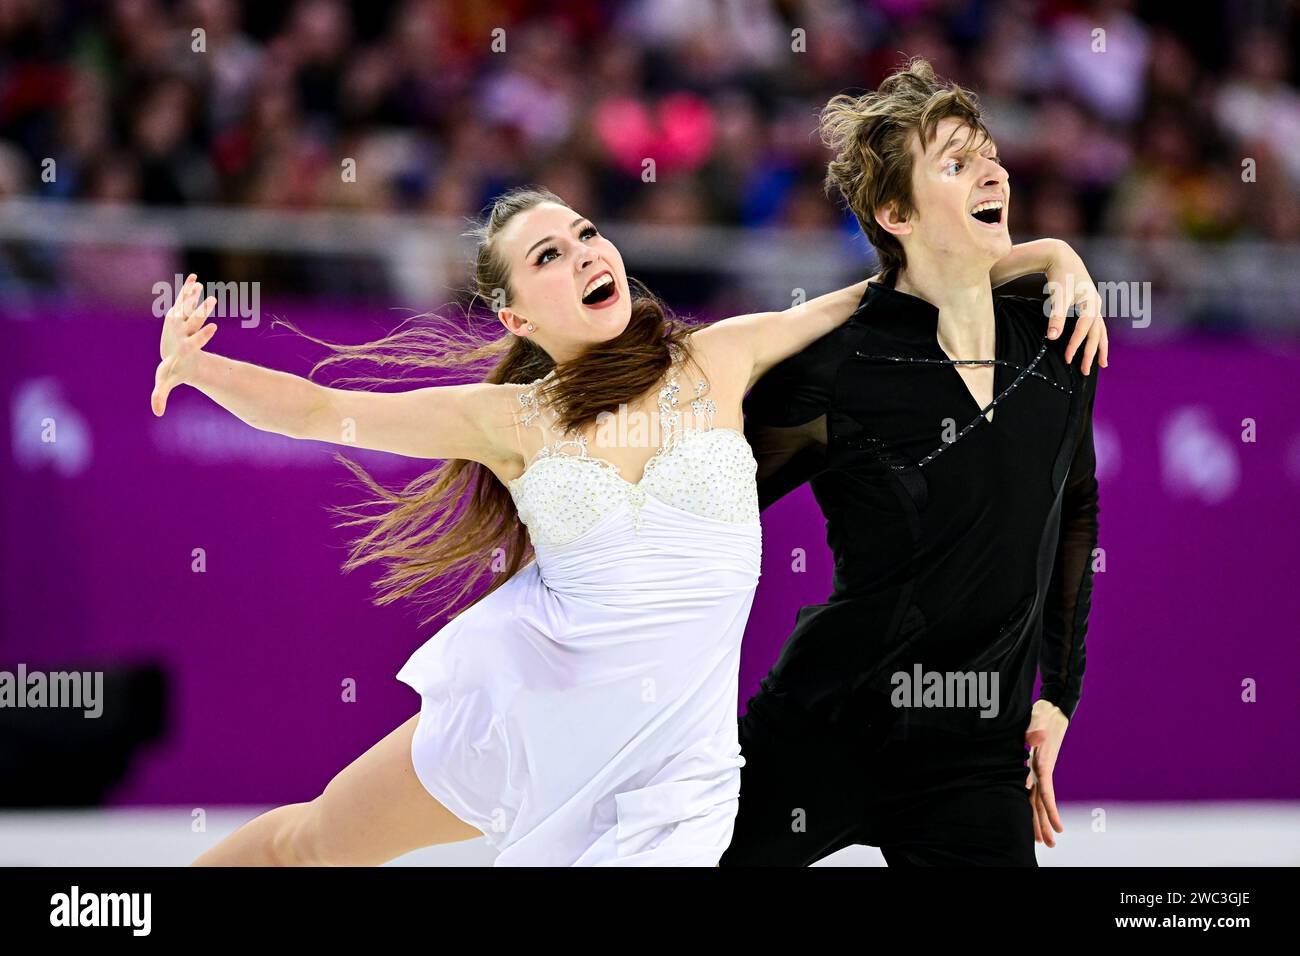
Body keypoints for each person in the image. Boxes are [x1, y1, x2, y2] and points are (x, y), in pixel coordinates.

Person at [153, 184, 1105, 867]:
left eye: (586, 234)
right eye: (549, 258)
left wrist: (1053, 256)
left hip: (669, 779)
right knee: (314, 845)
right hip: (526, 719)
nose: (585, 256)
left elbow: (893, 288)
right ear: (514, 316)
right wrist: (198, 369)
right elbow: (323, 411)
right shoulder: (510, 422)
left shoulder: (720, 359)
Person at [719, 58, 1106, 867]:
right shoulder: (837, 368)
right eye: (955, 163)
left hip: (972, 759)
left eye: (988, 153)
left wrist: (1058, 695)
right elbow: (713, 510)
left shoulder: (1059, 338)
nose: (993, 169)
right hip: (825, 727)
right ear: (894, 211)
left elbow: (1075, 510)